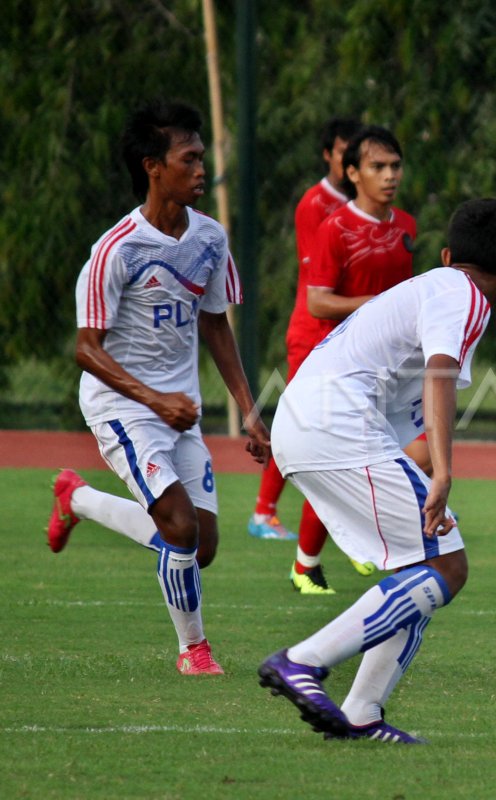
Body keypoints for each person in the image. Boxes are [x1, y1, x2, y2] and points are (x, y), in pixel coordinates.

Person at [257, 198, 496, 743]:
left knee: (423, 560)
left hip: (312, 419)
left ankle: (363, 713)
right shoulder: (467, 296)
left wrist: (421, 472)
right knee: (447, 566)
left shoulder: (433, 285)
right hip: (334, 424)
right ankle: (302, 661)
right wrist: (444, 473)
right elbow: (440, 373)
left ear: (448, 253)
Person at [47, 99, 270, 675]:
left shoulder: (211, 239)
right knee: (178, 526)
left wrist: (248, 410)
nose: (202, 169)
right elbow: (85, 348)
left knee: (203, 546)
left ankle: (76, 499)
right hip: (122, 405)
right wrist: (154, 399)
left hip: (179, 410)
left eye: (203, 157)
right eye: (190, 158)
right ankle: (194, 650)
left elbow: (216, 322)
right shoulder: (116, 249)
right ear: (153, 166)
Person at [280, 124, 430, 596]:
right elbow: (318, 302)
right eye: (376, 167)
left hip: (394, 365)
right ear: (351, 172)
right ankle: (306, 564)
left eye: (395, 166)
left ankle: (395, 545)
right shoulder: (335, 228)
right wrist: (379, 305)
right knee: (337, 461)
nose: (389, 176)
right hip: (344, 365)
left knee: (421, 455)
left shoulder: (406, 225)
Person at [248, 116, 363, 542]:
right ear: (329, 156)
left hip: (348, 330)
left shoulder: (367, 207)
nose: (351, 161)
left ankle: (413, 494)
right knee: (302, 420)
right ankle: (263, 512)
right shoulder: (316, 205)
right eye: (343, 152)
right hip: (315, 329)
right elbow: (321, 283)